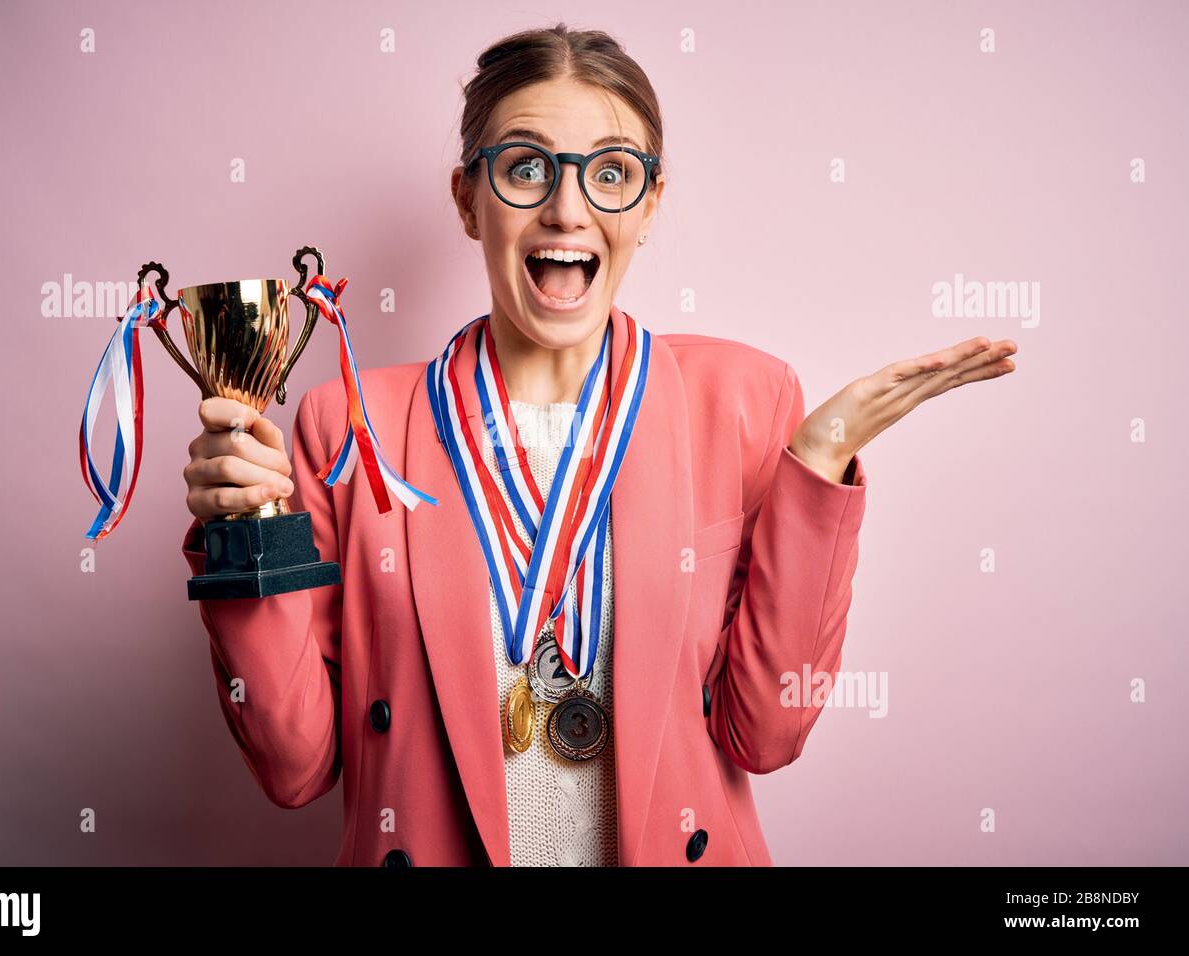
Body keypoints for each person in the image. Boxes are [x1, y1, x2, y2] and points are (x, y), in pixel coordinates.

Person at [180, 23, 1017, 867]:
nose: (568, 208)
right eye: (525, 167)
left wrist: (822, 459)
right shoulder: (347, 425)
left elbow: (765, 734)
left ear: (650, 206)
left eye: (611, 172)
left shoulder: (743, 402)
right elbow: (295, 767)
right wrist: (247, 528)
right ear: (468, 199)